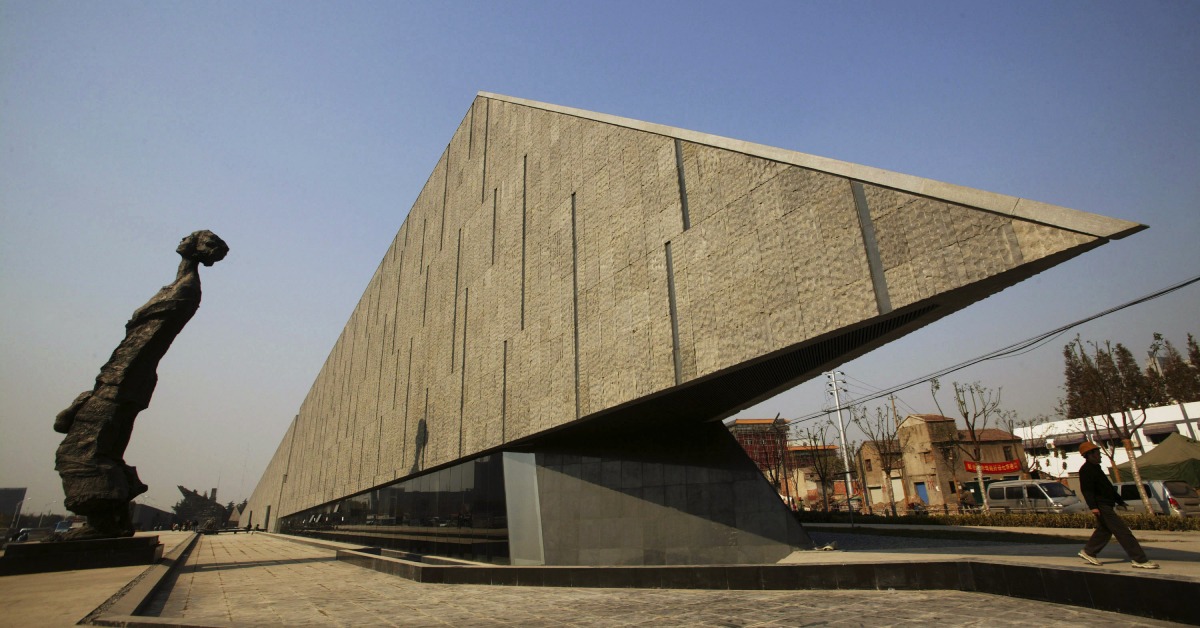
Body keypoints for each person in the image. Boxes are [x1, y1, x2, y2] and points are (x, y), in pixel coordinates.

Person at [1076, 441, 1159, 569]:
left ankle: (1089, 551)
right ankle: (1139, 560)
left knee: (1105, 530)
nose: (1100, 456)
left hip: (1106, 504)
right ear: (1090, 455)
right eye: (1098, 453)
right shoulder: (1086, 470)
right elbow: (1087, 490)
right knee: (1123, 532)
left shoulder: (1096, 468)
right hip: (1101, 505)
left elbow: (1108, 487)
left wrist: (1119, 501)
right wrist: (1093, 506)